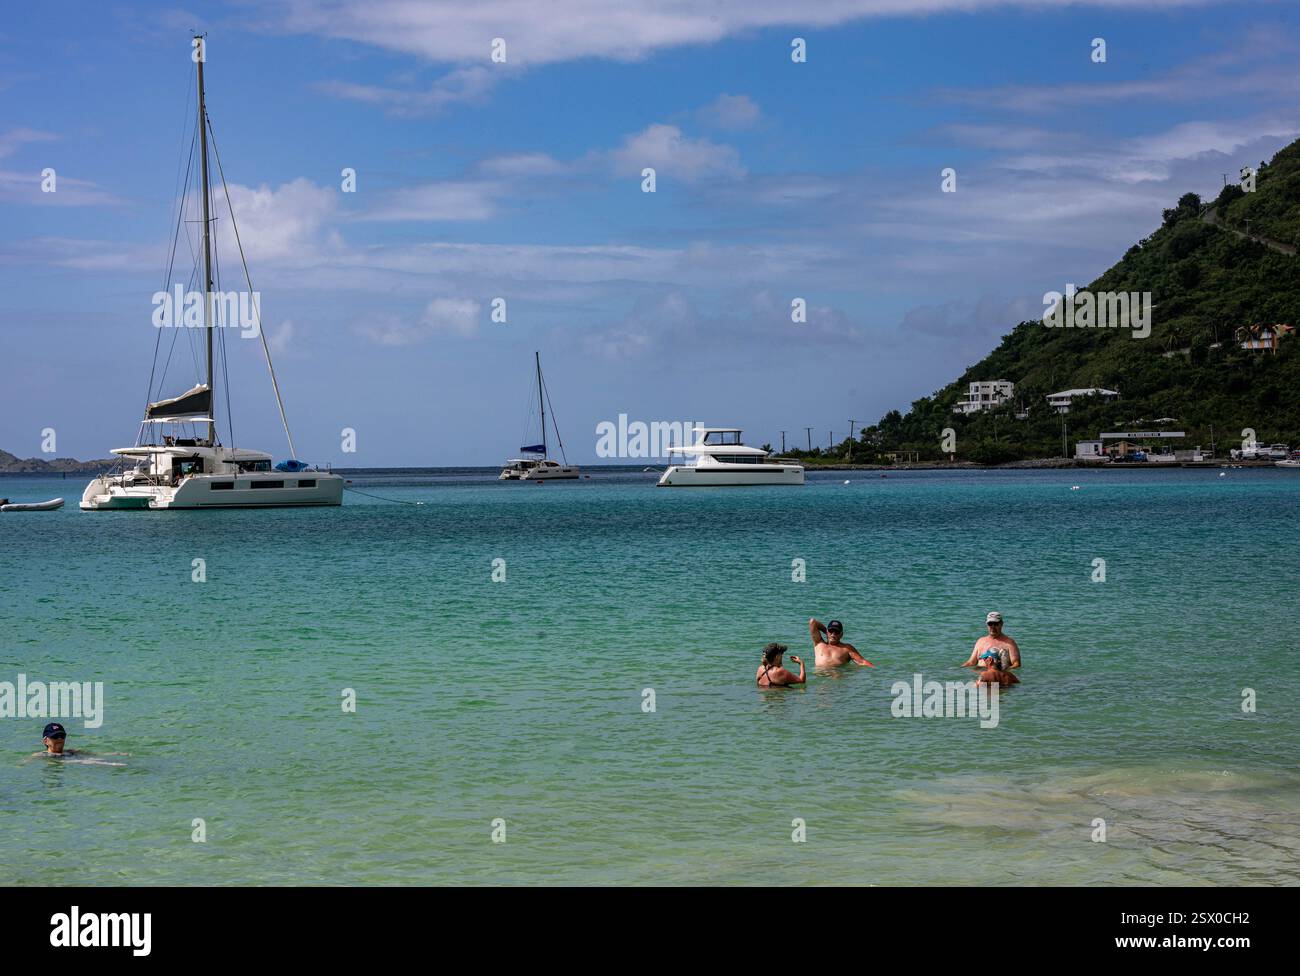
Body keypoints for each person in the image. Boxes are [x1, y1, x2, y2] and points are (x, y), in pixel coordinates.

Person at [808, 618, 874, 667]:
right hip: (821, 682)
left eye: (836, 632)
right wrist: (826, 632)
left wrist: (876, 670)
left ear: (841, 634)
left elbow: (862, 661)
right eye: (831, 631)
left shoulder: (846, 648)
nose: (833, 634)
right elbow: (812, 622)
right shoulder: (819, 643)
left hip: (838, 682)